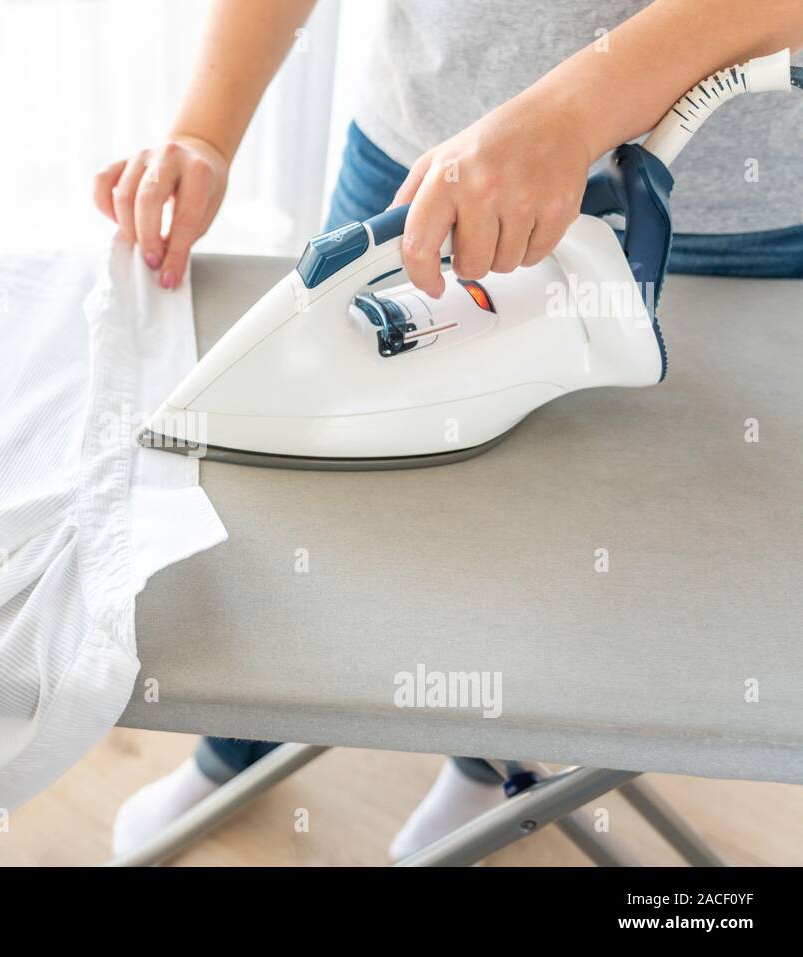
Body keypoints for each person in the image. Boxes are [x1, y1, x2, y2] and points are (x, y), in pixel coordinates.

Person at [95, 0, 803, 859]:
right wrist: (206, 130)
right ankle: (238, 744)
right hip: (415, 157)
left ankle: (489, 758)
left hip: (732, 209)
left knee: (584, 538)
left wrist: (566, 113)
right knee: (299, 522)